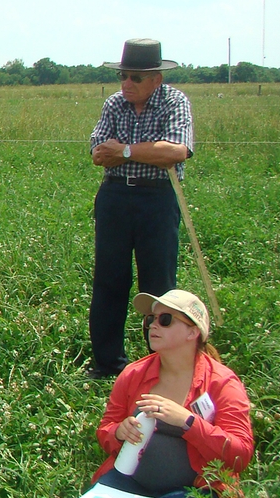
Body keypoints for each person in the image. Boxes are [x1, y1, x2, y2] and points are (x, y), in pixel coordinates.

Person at [83, 289, 253, 498]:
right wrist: (119, 432)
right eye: (150, 319)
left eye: (164, 319)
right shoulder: (134, 374)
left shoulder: (222, 384)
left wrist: (189, 422)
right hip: (132, 477)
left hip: (194, 487)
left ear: (192, 332)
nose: (152, 326)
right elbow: (106, 430)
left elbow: (240, 455)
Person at [87, 38, 194, 379]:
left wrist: (127, 151)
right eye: (123, 75)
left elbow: (175, 151)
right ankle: (107, 363)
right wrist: (139, 151)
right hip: (115, 197)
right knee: (109, 280)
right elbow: (98, 152)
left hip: (157, 199)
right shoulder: (114, 104)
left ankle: (161, 366)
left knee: (158, 286)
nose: (126, 83)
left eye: (135, 77)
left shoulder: (175, 102)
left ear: (156, 79)